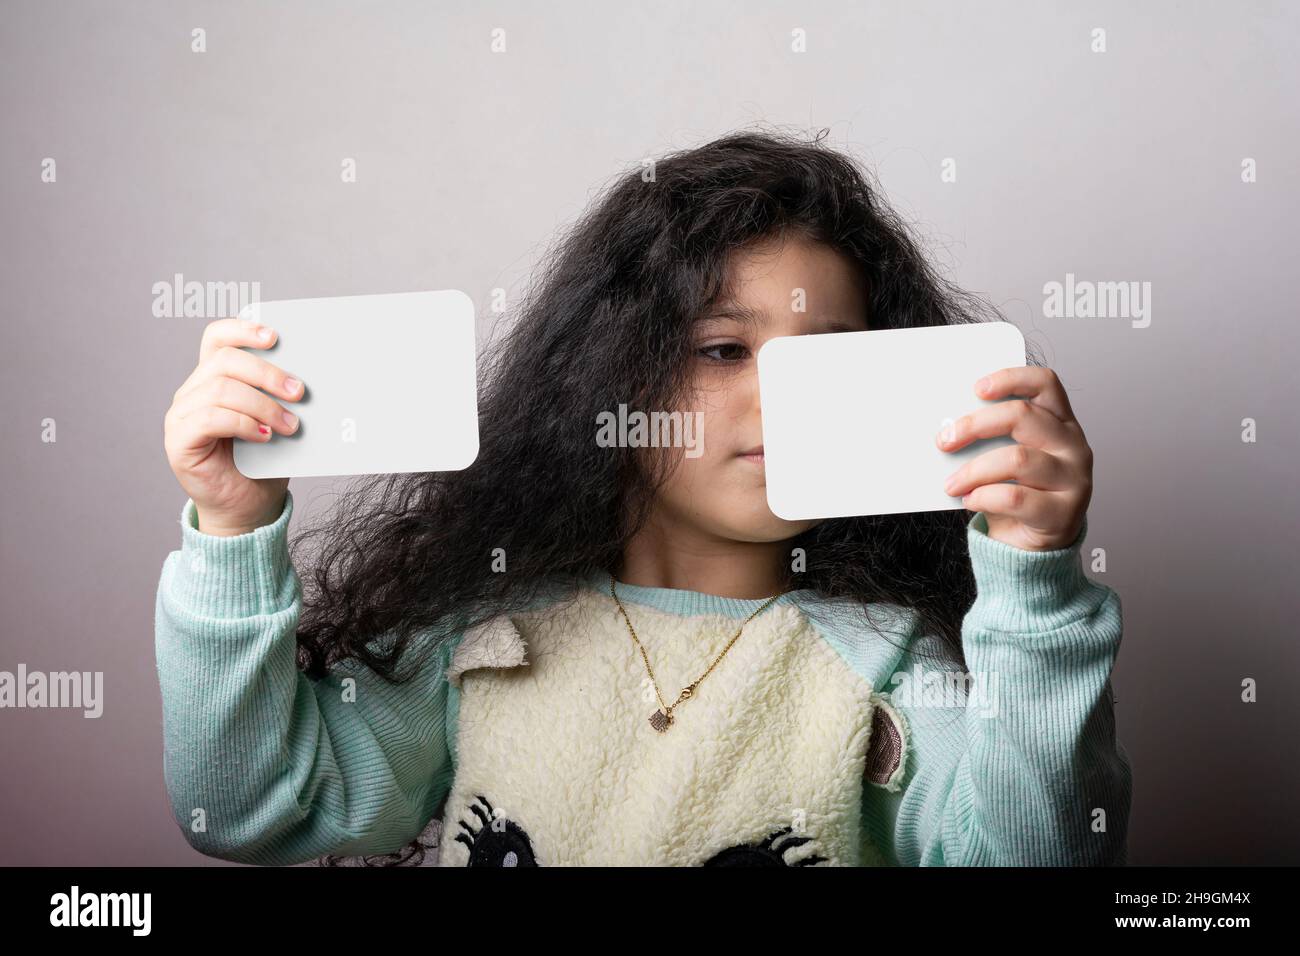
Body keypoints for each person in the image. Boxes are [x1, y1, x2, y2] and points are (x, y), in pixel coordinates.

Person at [156, 129, 1130, 866]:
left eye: (828, 358)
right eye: (720, 348)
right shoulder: (482, 642)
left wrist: (1033, 577)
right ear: (606, 375)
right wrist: (234, 529)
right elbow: (251, 805)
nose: (775, 394)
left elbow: (1034, 852)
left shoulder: (885, 663)